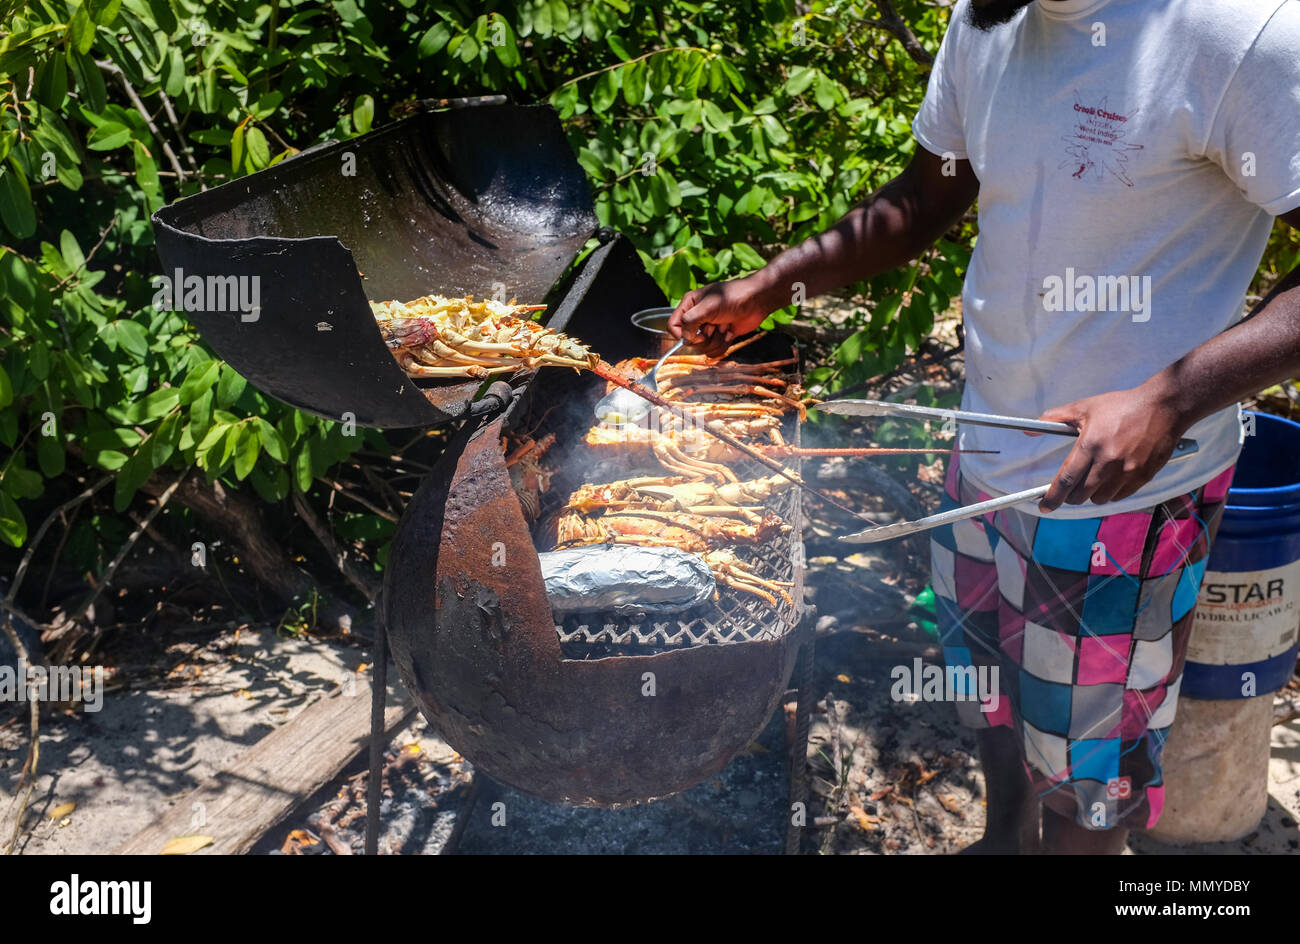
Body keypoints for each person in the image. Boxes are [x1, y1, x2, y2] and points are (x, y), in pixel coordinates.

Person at [669, 0, 1300, 853]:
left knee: (1091, 777)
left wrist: (1169, 400)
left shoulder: (1238, 33)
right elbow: (928, 194)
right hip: (985, 449)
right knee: (997, 698)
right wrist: (780, 281)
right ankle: (1005, 842)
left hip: (1125, 497)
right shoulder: (990, 17)